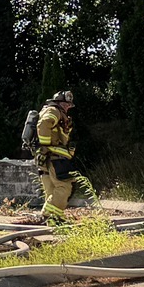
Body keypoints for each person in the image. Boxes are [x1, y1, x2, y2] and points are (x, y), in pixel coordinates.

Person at [35, 90, 97, 223]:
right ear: (58, 103)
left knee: (51, 188)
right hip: (54, 156)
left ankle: (52, 218)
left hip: (47, 156)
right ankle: (50, 214)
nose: (68, 107)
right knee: (64, 186)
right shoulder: (54, 111)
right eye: (65, 104)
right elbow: (44, 124)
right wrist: (45, 145)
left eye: (69, 105)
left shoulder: (52, 111)